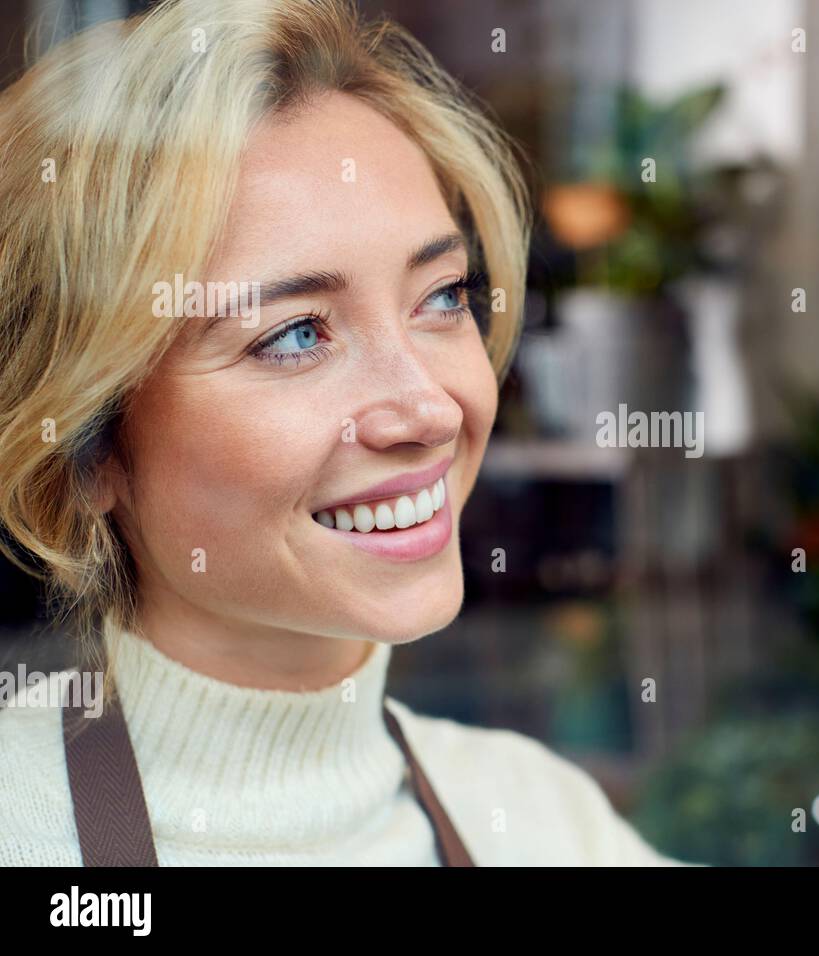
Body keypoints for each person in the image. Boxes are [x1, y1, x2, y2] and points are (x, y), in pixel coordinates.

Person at [0, 0, 688, 866]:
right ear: (88, 449)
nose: (430, 410)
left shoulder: (542, 820)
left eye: (441, 298)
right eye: (294, 335)